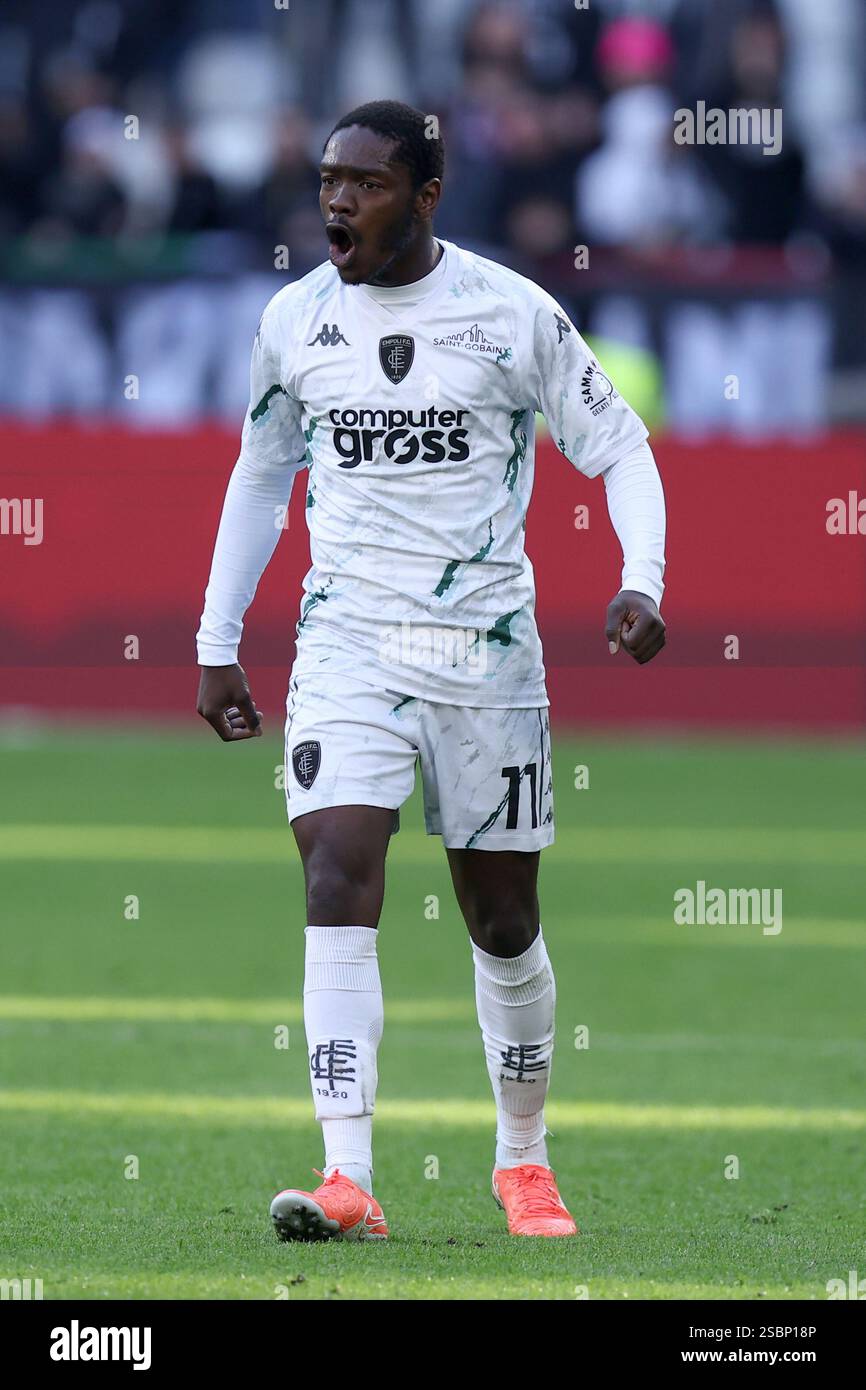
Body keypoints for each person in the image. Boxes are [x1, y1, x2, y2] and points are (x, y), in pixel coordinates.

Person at [195, 99, 666, 1242]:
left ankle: (521, 1161)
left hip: (485, 656)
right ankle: (346, 1174)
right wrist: (218, 641)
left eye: (363, 183)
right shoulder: (293, 322)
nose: (336, 203)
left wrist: (640, 576)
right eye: (326, 182)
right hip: (346, 645)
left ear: (426, 195)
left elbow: (620, 448)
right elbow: (261, 481)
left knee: (500, 918)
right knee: (333, 876)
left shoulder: (509, 315)